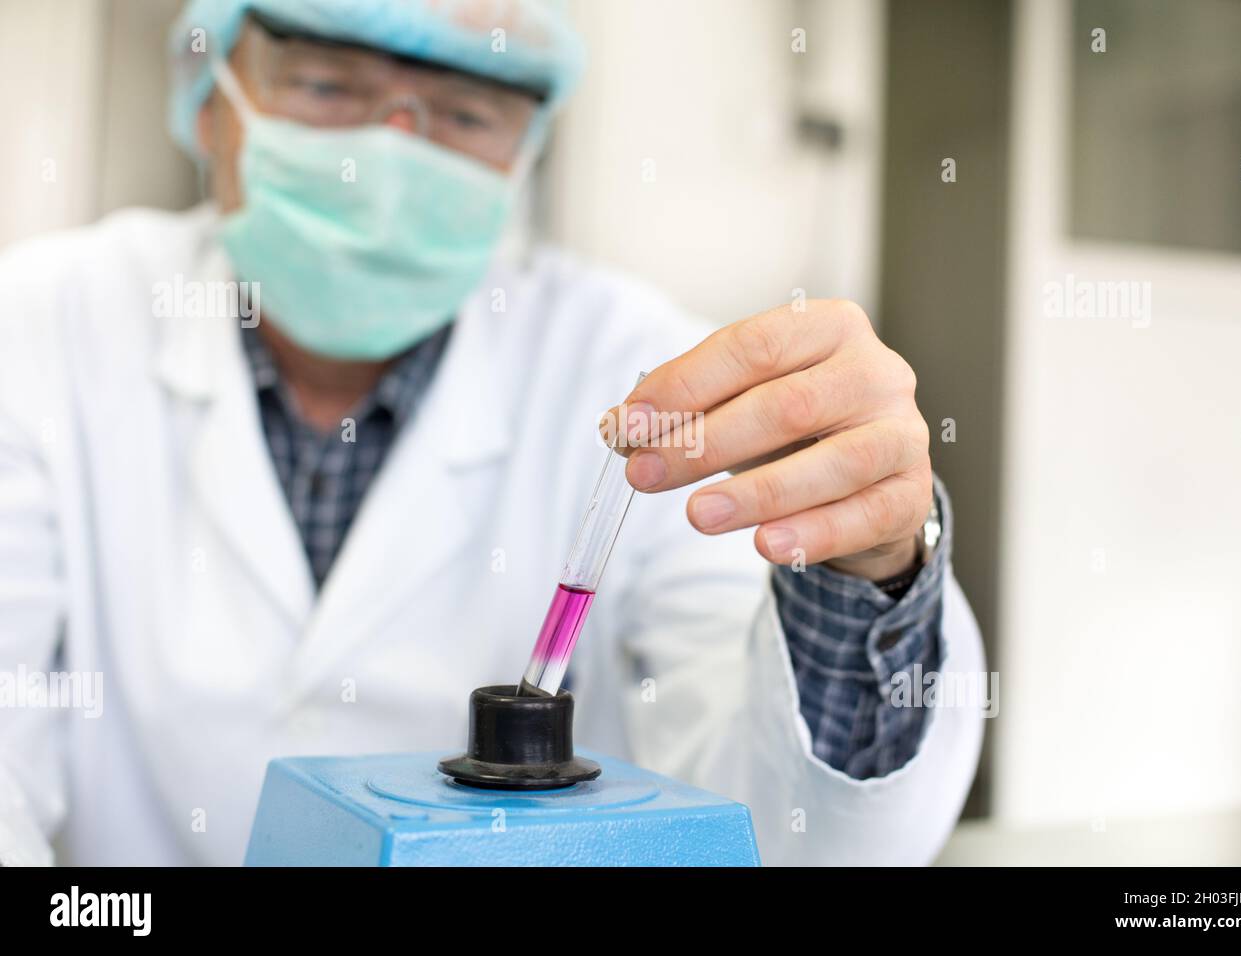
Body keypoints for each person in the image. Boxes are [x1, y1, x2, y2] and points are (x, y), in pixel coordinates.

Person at [0, 0, 983, 866]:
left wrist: (863, 579)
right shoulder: (41, 327)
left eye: (464, 111)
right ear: (211, 99)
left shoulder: (635, 368)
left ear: (524, 146)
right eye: (327, 83)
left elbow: (788, 829)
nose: (389, 148)